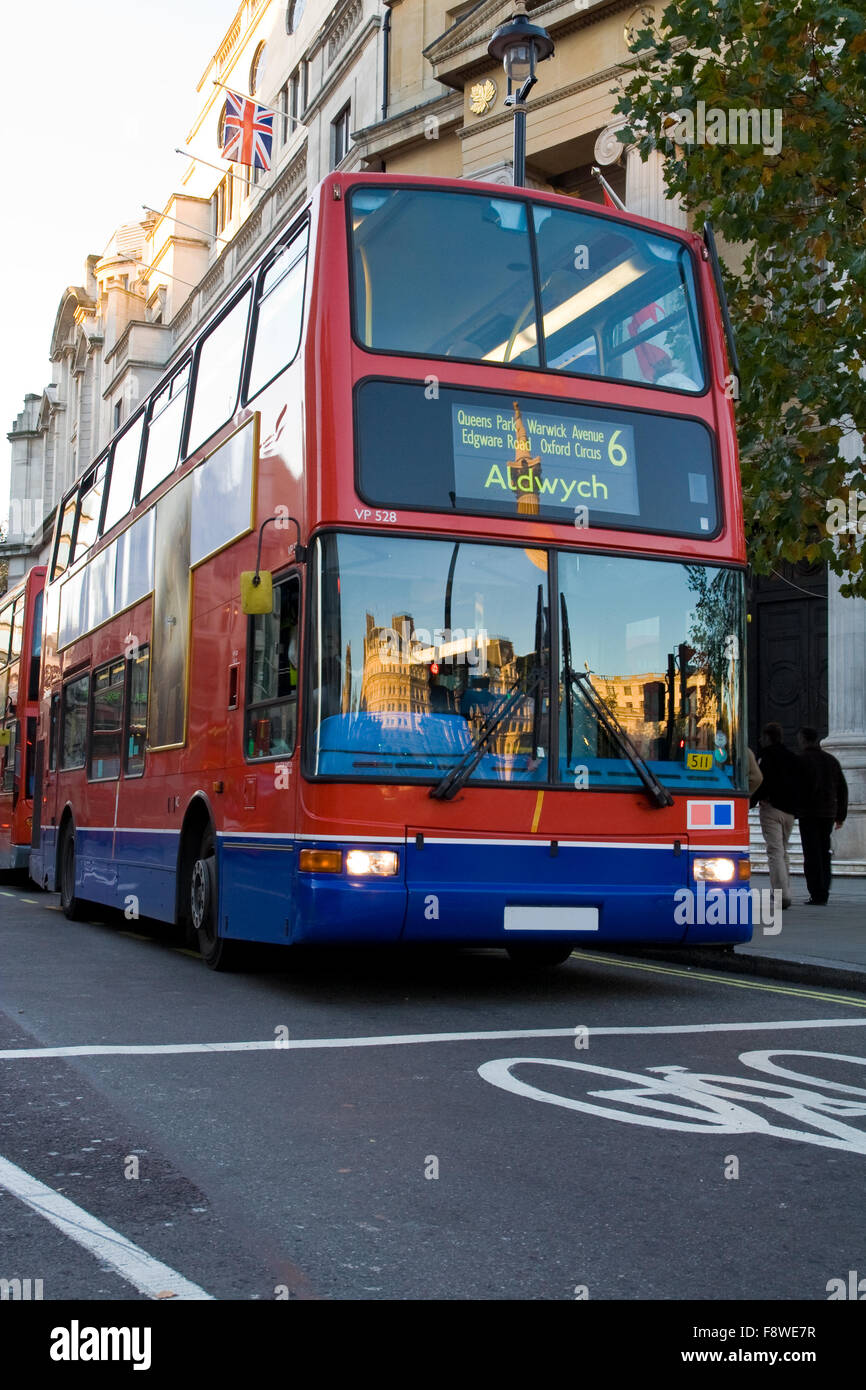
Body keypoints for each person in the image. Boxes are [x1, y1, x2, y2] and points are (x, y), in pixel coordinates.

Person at [796, 727, 848, 906]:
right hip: (827, 813)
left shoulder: (802, 760)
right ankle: (823, 889)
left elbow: (798, 787)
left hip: (809, 813)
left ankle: (816, 892)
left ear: (804, 740)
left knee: (811, 854)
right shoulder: (831, 760)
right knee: (824, 852)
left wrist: (795, 809)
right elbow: (842, 789)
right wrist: (840, 815)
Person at [754, 723, 802, 910]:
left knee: (775, 852)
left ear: (767, 737)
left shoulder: (766, 757)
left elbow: (761, 782)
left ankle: (782, 895)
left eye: (762, 737)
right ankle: (785, 890)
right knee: (783, 851)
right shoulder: (792, 757)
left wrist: (750, 801)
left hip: (771, 807)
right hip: (790, 811)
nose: (759, 740)